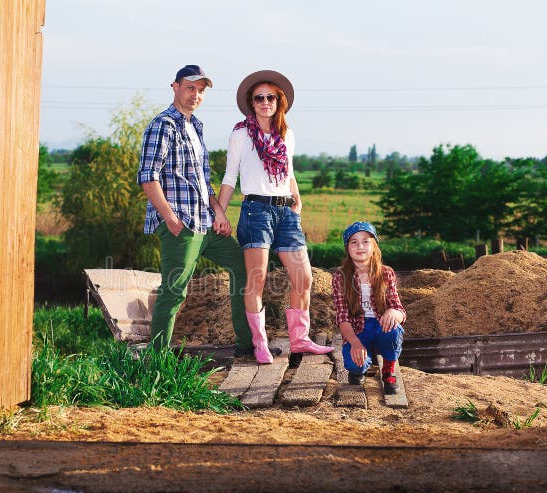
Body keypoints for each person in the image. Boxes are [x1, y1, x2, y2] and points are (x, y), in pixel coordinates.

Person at [137, 65, 254, 355]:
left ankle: (246, 343)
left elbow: (203, 182)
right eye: (190, 87)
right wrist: (170, 218)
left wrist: (219, 212)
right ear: (175, 87)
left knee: (242, 266)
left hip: (205, 222)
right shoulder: (163, 125)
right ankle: (158, 357)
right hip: (182, 224)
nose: (196, 94)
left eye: (201, 90)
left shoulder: (196, 127)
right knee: (175, 289)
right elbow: (148, 176)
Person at [218, 70, 332, 364]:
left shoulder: (287, 135)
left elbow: (289, 172)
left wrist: (298, 198)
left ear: (279, 101)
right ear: (251, 103)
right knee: (257, 279)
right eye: (259, 98)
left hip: (286, 212)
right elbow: (230, 176)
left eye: (271, 97)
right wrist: (219, 210)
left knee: (303, 278)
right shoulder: (241, 134)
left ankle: (300, 340)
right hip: (256, 211)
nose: (265, 102)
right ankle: (260, 344)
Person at [331, 222, 406, 393]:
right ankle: (359, 369)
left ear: (374, 247)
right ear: (347, 248)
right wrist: (355, 343)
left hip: (381, 326)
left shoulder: (386, 273)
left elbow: (399, 309)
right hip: (357, 330)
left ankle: (388, 371)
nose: (360, 246)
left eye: (366, 241)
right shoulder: (340, 277)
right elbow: (342, 317)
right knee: (355, 365)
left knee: (393, 330)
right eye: (354, 242)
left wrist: (393, 312)